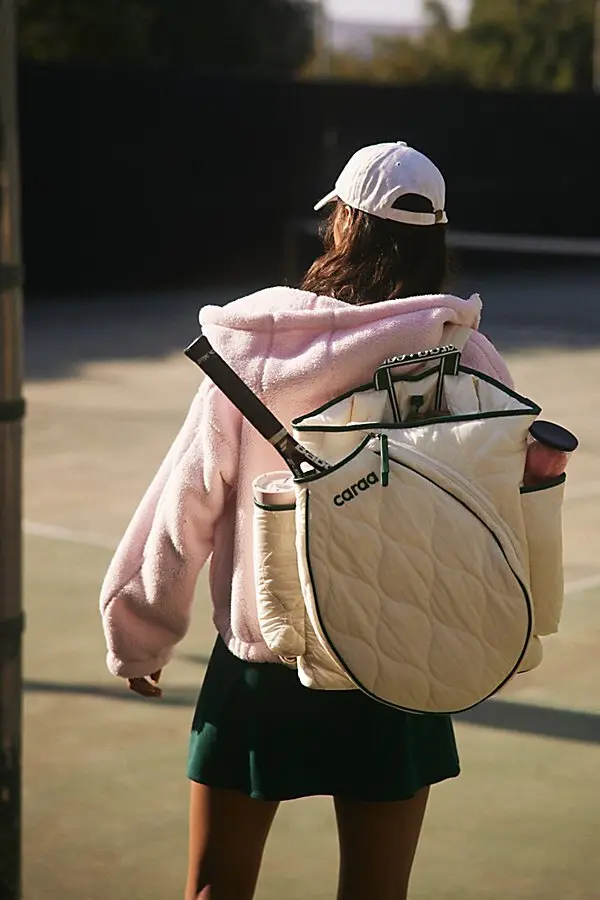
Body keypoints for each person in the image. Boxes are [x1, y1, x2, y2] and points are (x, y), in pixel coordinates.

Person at [100, 141, 512, 900]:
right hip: (401, 661)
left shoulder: (254, 352)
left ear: (343, 225)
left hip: (264, 662)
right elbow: (497, 514)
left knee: (214, 891)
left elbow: (184, 501)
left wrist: (139, 630)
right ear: (437, 236)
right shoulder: (468, 355)